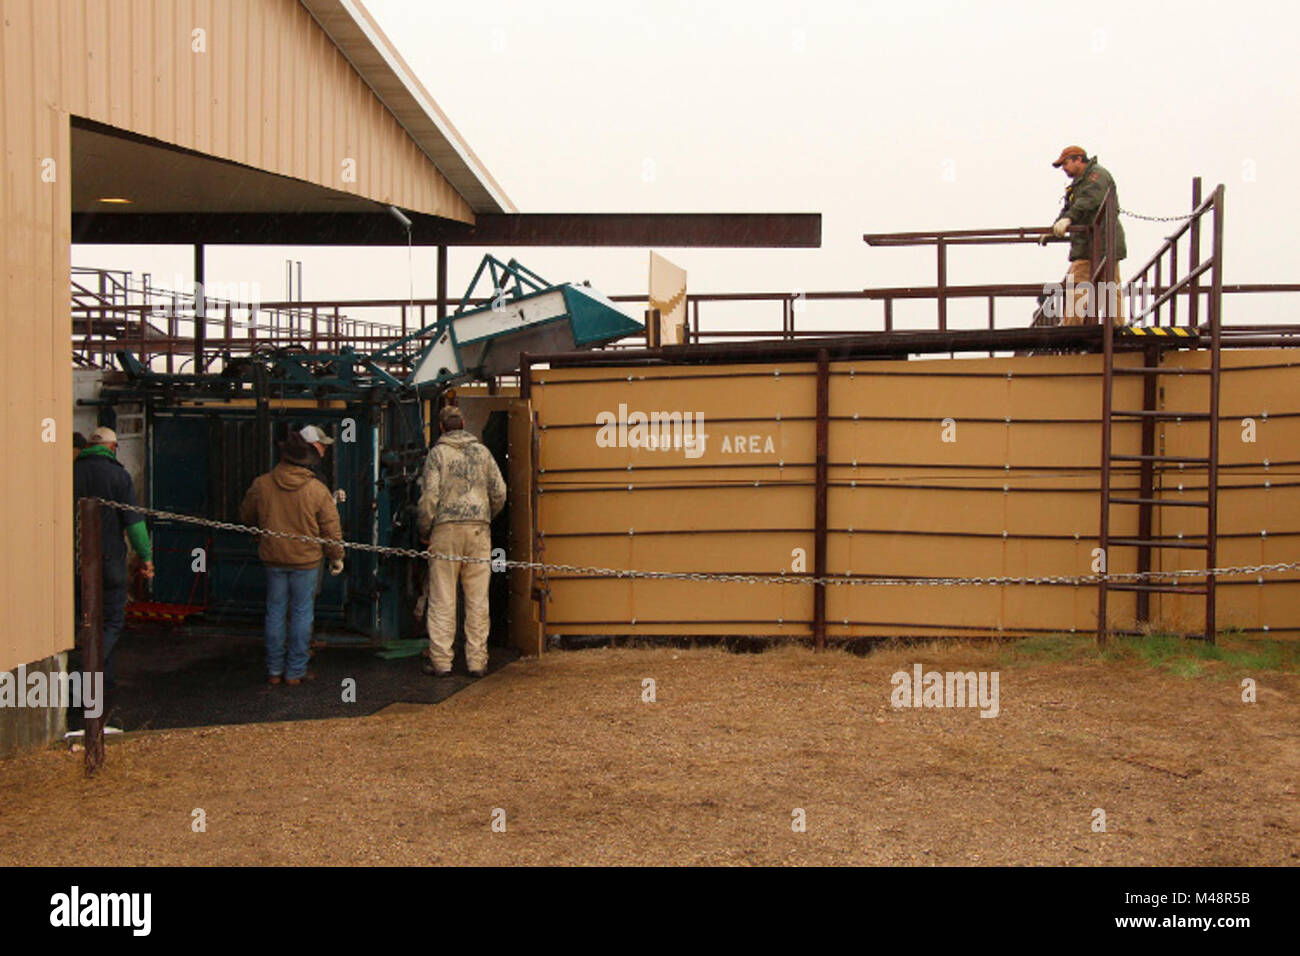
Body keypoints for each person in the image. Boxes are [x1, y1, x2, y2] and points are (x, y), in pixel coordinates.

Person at [239, 430, 344, 686]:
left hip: (273, 557)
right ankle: (295, 671)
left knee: (274, 613)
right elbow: (331, 530)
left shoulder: (261, 484)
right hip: (305, 561)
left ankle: (274, 670)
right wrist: (336, 556)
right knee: (301, 614)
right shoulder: (317, 490)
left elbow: (245, 516)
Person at [417, 405, 506, 678]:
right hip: (479, 530)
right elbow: (500, 491)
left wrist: (425, 528)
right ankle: (477, 661)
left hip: (445, 530)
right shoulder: (482, 453)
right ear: (464, 423)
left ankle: (442, 662)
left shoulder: (437, 454)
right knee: (478, 600)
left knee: (443, 598)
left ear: (442, 427)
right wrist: (485, 515)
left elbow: (429, 497)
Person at [73, 426, 154, 708]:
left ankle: (101, 682)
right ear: (113, 447)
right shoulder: (119, 476)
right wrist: (145, 558)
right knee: (111, 621)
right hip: (109, 562)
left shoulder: (71, 473)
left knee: (82, 621)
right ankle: (85, 678)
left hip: (75, 562)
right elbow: (134, 524)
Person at [1043, 145, 1127, 325]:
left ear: (1078, 159)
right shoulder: (1079, 183)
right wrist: (1053, 231)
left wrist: (1068, 220)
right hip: (1087, 244)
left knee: (1108, 286)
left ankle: (1115, 328)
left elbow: (1088, 201)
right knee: (1085, 285)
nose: (1064, 169)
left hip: (1104, 241)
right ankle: (1074, 327)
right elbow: (1070, 209)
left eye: (1065, 163)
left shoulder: (1096, 176)